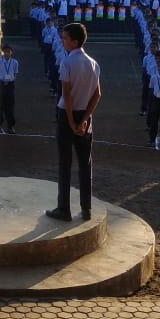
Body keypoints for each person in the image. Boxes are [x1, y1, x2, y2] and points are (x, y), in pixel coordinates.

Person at [45, 22, 102, 222]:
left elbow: (66, 95)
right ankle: (86, 209)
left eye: (65, 38)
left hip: (67, 115)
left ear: (74, 42)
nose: (63, 41)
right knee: (85, 164)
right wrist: (84, 120)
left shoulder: (67, 62)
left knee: (65, 163)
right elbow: (97, 95)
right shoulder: (93, 63)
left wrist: (71, 121)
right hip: (85, 115)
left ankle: (64, 209)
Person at [0, 43, 19, 134]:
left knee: (10, 106)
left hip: (10, 85)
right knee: (0, 106)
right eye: (5, 51)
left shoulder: (15, 62)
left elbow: (15, 73)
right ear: (3, 52)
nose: (7, 53)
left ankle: (11, 126)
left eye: (8, 52)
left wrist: (10, 79)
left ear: (12, 52)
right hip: (1, 84)